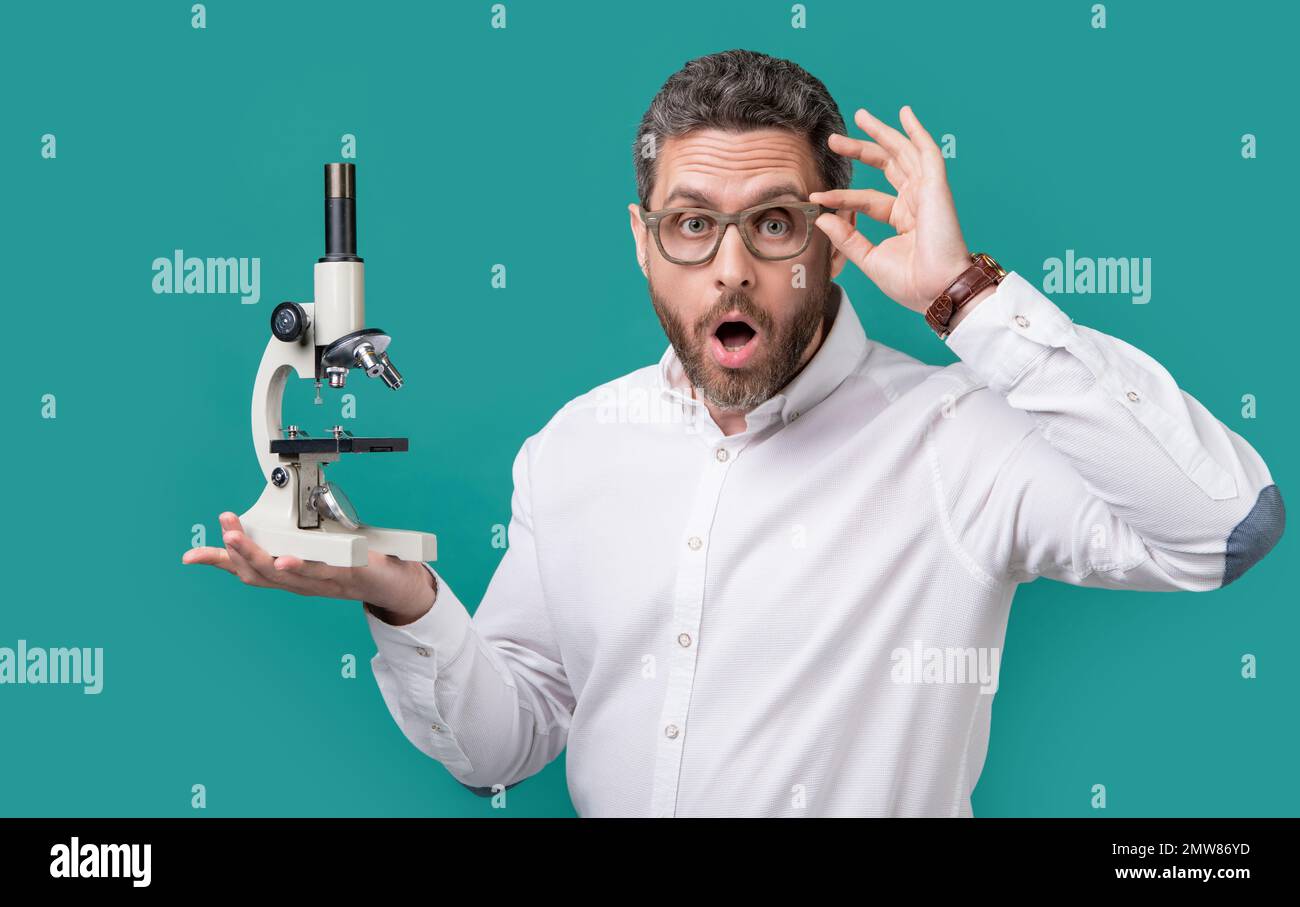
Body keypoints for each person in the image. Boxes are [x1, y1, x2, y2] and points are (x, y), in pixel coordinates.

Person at [182, 49, 1284, 817]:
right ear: (641, 239)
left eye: (775, 223)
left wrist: (965, 297)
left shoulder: (956, 437)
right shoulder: (575, 447)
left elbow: (1224, 527)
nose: (731, 268)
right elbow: (502, 747)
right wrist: (402, 598)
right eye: (692, 224)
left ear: (834, 233)